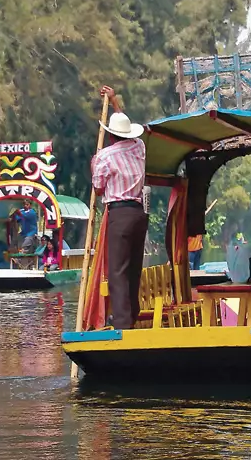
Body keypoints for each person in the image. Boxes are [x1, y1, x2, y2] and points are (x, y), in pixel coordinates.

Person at [91, 93, 148, 330]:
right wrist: (114, 102)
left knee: (117, 271)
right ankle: (131, 315)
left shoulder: (105, 156)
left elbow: (98, 187)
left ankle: (124, 324)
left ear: (111, 135)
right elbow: (126, 127)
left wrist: (93, 164)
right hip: (138, 213)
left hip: (120, 214)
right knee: (133, 268)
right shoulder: (140, 147)